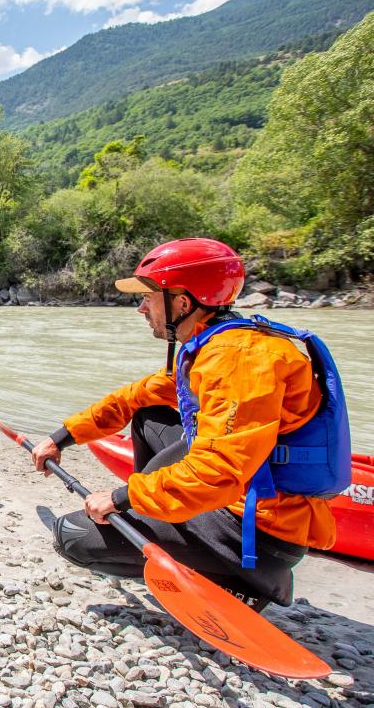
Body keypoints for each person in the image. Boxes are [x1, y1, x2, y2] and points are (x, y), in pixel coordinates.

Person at [31, 238, 347, 611]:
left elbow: (217, 473)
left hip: (256, 530)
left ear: (182, 302)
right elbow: (135, 397)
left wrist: (121, 497)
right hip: (236, 499)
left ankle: (242, 581)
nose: (141, 308)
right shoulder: (214, 343)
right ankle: (163, 519)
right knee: (149, 415)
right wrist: (62, 438)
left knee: (72, 535)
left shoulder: (238, 360)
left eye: (148, 297)